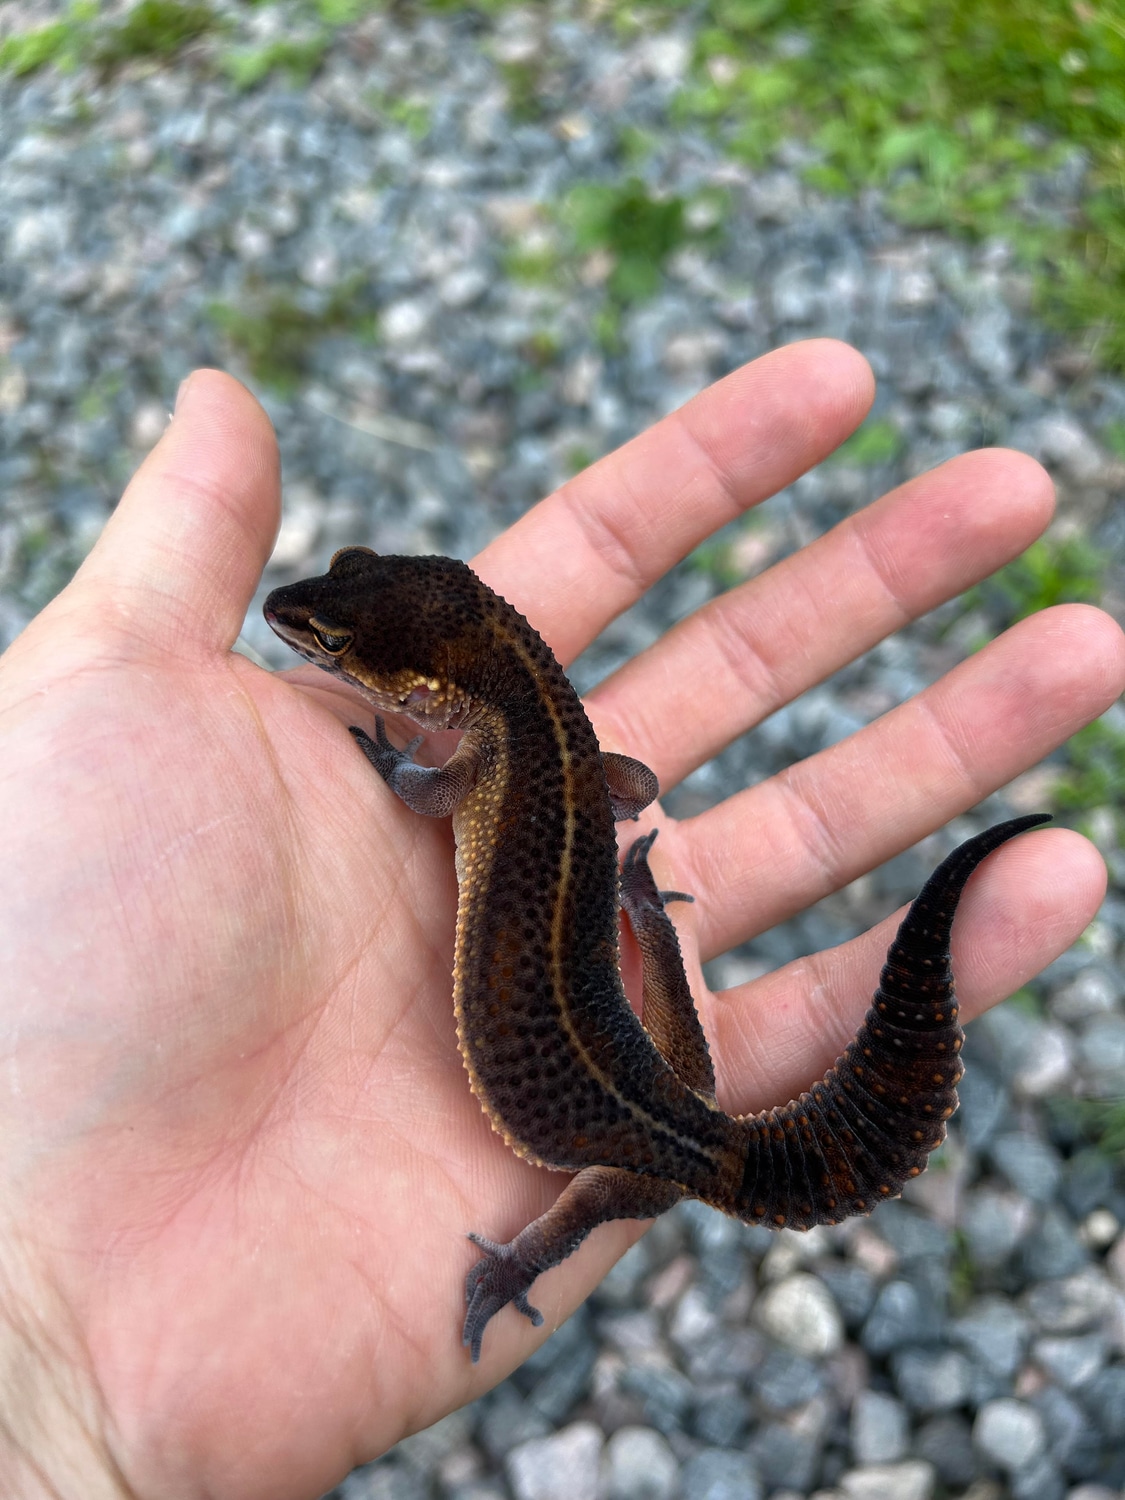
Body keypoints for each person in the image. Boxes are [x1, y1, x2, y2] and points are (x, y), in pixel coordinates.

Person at [0, 345, 1121, 1500]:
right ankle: (650, 933)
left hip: (628, 1122)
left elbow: (436, 793)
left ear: (436, 693)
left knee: (619, 1177)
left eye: (332, 652)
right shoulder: (572, 756)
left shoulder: (479, 755)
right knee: (681, 1074)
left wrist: (514, 1265)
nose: (306, 635)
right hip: (662, 1077)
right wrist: (632, 897)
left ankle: (529, 1244)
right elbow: (625, 788)